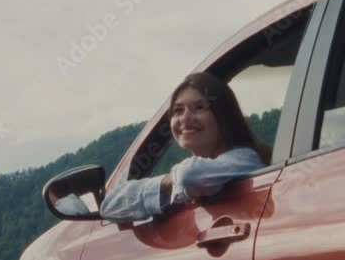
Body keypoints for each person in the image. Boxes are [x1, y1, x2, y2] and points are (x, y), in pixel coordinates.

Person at [99, 72, 270, 222]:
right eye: (178, 110)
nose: (185, 118)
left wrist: (169, 182)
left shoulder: (246, 159)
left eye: (199, 107)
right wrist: (170, 182)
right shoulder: (199, 175)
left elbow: (189, 175)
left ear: (223, 117)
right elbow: (110, 206)